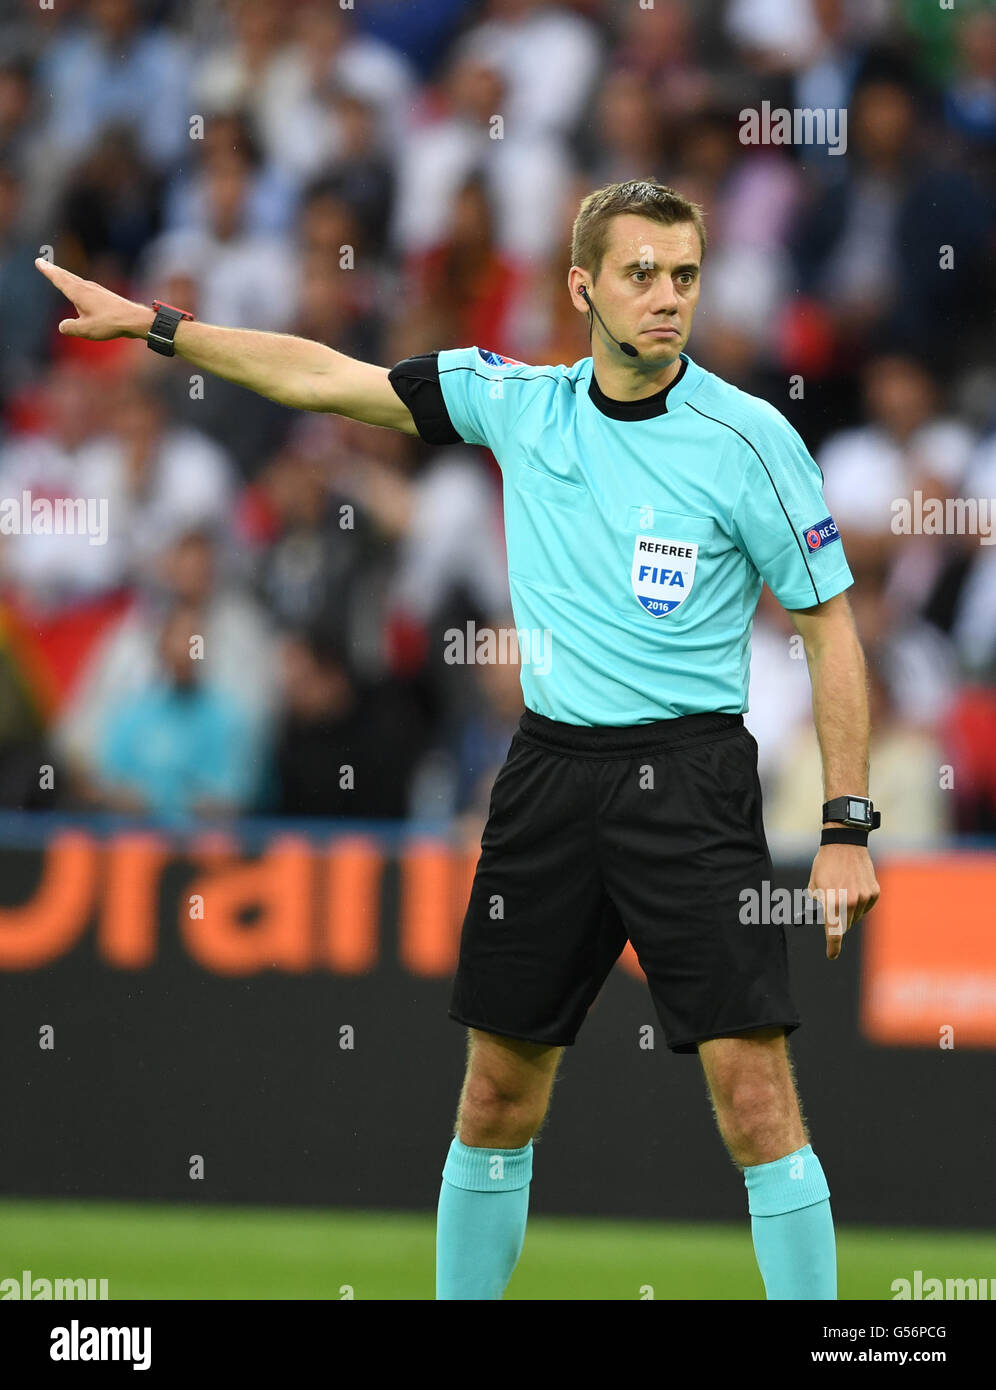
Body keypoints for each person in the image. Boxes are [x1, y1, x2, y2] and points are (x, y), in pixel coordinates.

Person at [35, 177, 882, 1302]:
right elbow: (325, 377)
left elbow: (830, 630)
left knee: (757, 1099)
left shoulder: (750, 438)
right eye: (640, 275)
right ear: (582, 286)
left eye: (684, 276)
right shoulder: (514, 401)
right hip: (548, 776)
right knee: (494, 1097)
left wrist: (845, 825)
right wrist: (157, 325)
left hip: (691, 779)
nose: (667, 298)